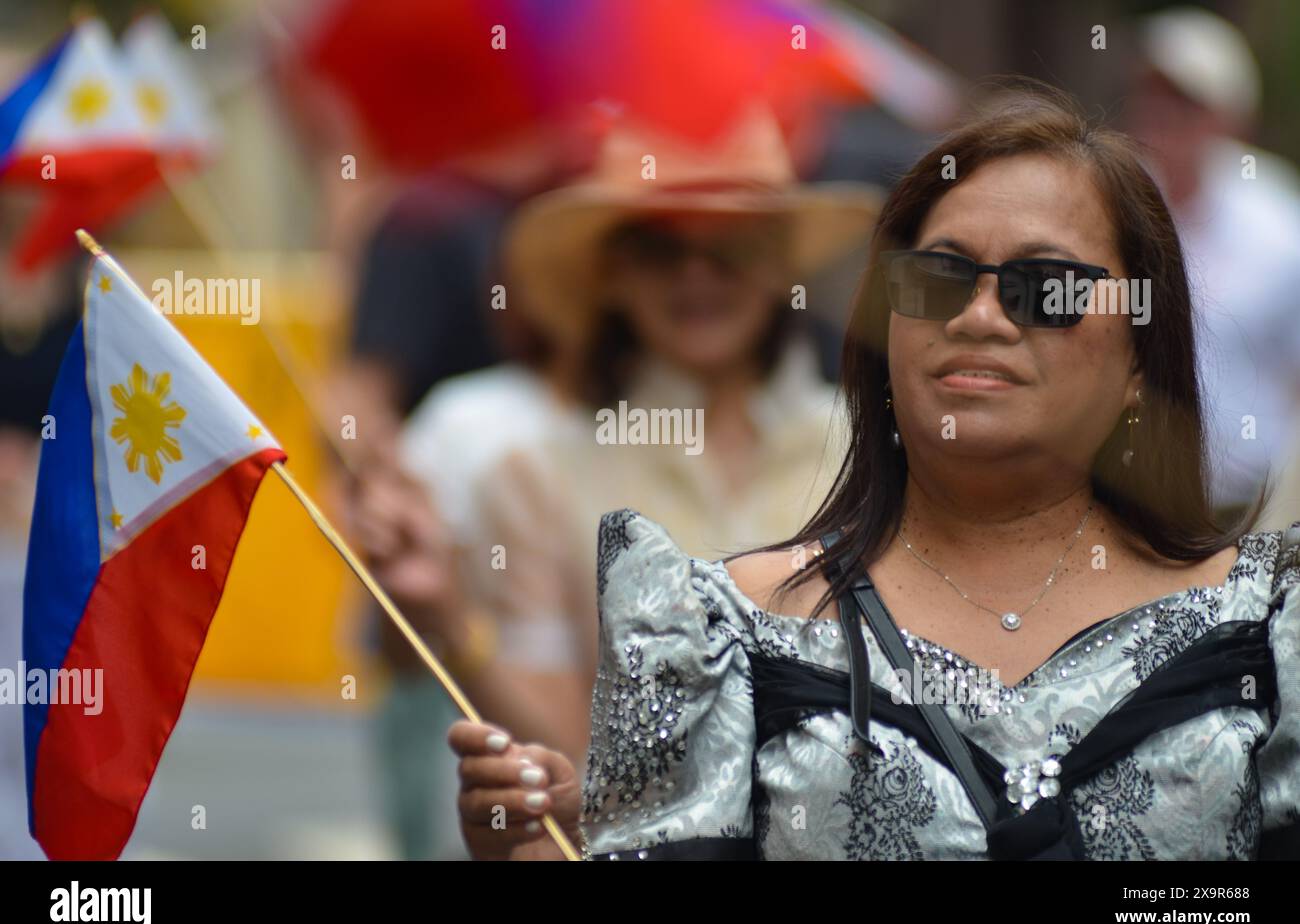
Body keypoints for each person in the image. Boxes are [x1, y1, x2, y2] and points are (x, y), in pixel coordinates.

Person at [447, 85, 1300, 861]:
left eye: (1045, 288)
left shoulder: (1266, 629)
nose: (978, 315)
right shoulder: (717, 629)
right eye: (937, 278)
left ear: (1140, 357)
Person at [354, 110, 880, 765]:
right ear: (615, 275)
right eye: (661, 249)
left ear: (779, 261)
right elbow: (567, 770)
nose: (697, 274)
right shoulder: (540, 471)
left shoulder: (868, 451)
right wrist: (451, 622)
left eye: (730, 246)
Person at [1127, 7, 1300, 526]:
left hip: (1248, 514)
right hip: (1124, 505)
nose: (1165, 114)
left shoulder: (1277, 221)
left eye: (1186, 101)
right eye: (1155, 95)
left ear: (1230, 115)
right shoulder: (1113, 204)